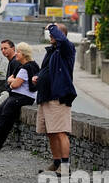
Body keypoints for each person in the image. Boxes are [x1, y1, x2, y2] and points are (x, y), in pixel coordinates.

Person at [33, 21, 77, 175]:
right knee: (50, 132)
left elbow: (62, 39)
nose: (50, 35)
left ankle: (65, 167)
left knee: (60, 132)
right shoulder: (52, 51)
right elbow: (45, 69)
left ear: (61, 34)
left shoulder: (67, 48)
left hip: (59, 96)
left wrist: (51, 25)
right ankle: (56, 162)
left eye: (53, 33)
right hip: (46, 96)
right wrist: (38, 77)